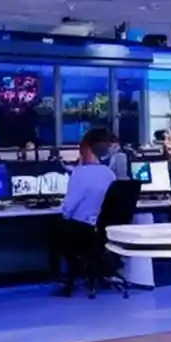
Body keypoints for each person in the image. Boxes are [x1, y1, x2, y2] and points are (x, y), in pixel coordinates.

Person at [56, 127, 117, 296]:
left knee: (55, 228)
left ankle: (66, 279)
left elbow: (68, 209)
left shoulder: (80, 173)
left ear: (85, 149)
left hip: (83, 232)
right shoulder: (109, 174)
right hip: (104, 230)